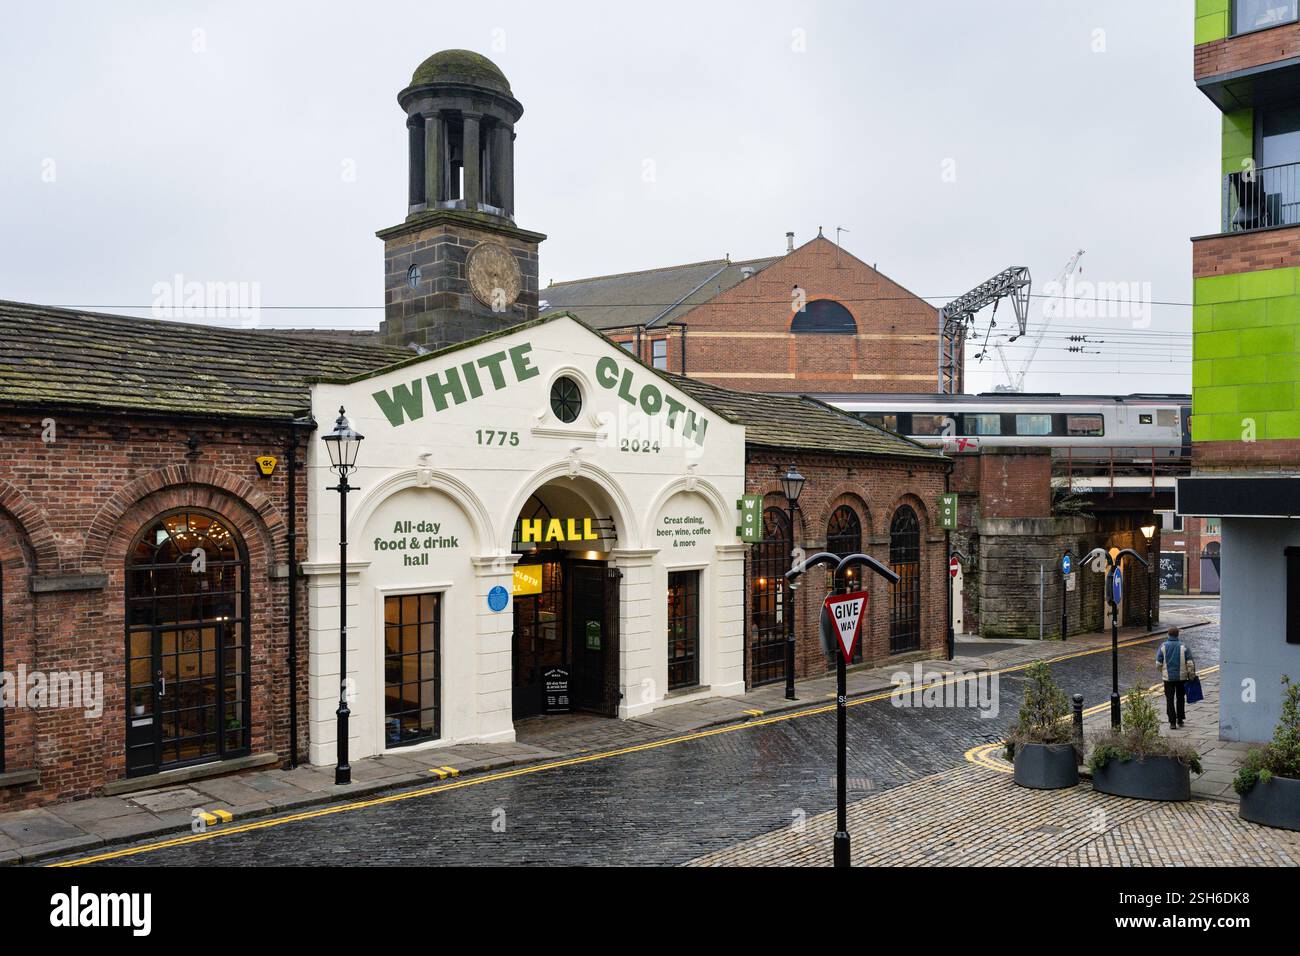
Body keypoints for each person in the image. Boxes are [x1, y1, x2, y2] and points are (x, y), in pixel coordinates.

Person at [1155, 626, 1195, 729]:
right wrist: (1191, 676)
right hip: (1182, 678)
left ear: (1168, 635)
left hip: (1168, 679)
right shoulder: (1184, 646)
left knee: (1169, 699)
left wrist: (1163, 671)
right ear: (1178, 635)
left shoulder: (1163, 646)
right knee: (1180, 698)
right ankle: (1180, 719)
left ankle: (1172, 722)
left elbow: (1158, 663)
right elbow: (1190, 663)